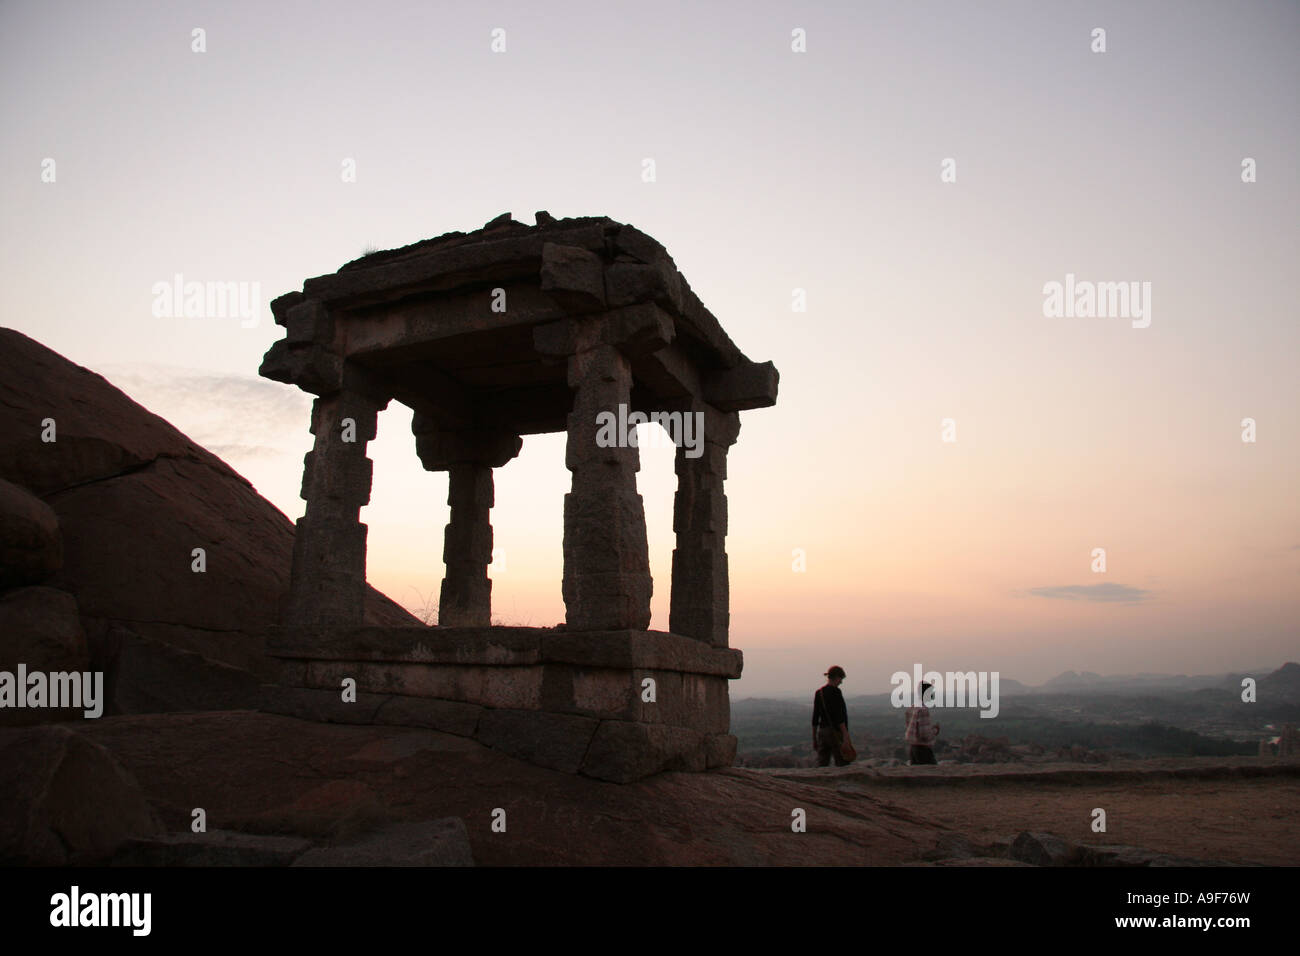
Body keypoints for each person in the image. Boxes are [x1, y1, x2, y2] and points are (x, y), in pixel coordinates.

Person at [812, 666, 850, 767]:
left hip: (822, 732)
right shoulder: (836, 692)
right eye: (841, 679)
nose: (841, 682)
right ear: (836, 677)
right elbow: (839, 716)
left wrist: (814, 738)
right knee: (842, 761)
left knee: (822, 763)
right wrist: (845, 736)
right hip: (835, 733)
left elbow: (815, 718)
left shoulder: (819, 693)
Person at [904, 681, 940, 765]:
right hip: (923, 749)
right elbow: (924, 735)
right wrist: (935, 731)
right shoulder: (923, 710)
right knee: (932, 773)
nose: (933, 695)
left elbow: (910, 727)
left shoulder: (912, 707)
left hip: (913, 748)